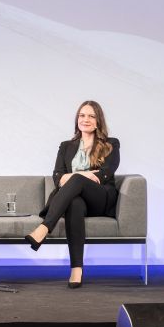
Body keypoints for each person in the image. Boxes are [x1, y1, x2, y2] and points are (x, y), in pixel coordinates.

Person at [25, 100, 121, 289]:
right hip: (77, 200)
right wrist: (85, 174)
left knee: (76, 180)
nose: (86, 119)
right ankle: (76, 268)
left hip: (100, 197)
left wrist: (77, 176)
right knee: (74, 203)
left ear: (98, 120)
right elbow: (57, 177)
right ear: (77, 119)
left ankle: (44, 228)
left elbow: (105, 173)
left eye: (91, 116)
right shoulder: (66, 146)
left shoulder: (111, 143)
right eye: (82, 115)